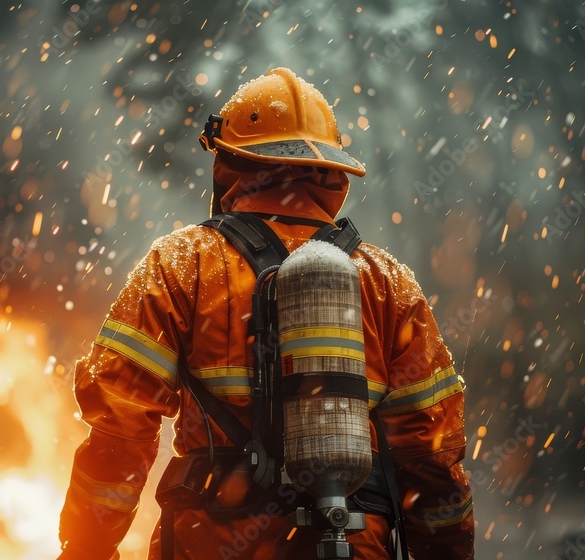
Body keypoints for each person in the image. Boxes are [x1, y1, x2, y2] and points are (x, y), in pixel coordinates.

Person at [58, 67, 474, 560]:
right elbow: (432, 455)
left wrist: (84, 548)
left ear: (231, 165)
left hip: (212, 544)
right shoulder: (386, 281)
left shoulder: (181, 265)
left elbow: (120, 429)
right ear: (332, 172)